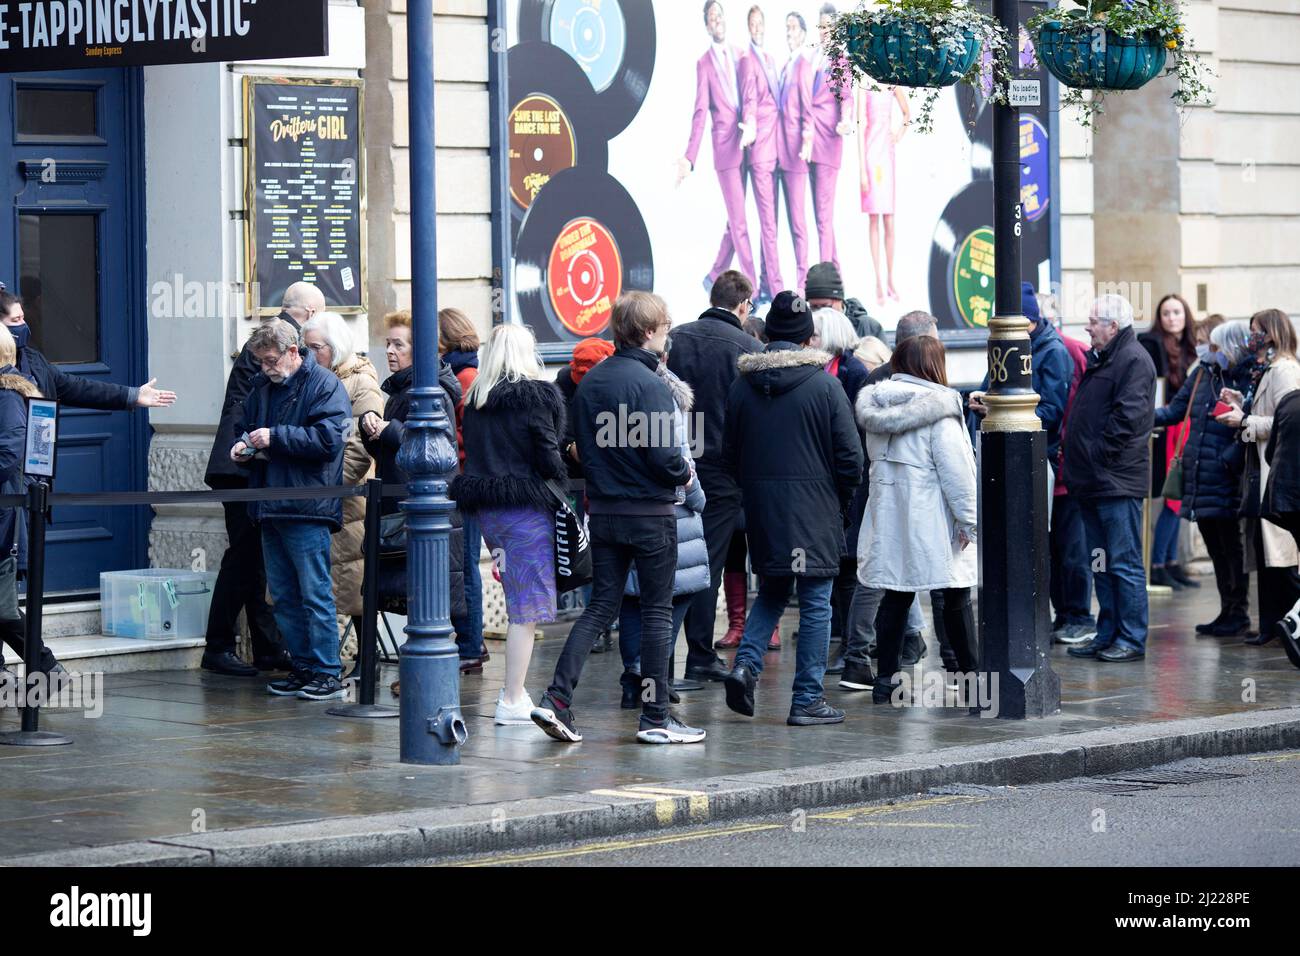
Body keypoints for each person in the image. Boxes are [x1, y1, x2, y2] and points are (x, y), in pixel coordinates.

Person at [532, 292, 703, 745]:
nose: (668, 338)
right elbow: (666, 457)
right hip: (650, 514)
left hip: (603, 512)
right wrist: (685, 472)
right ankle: (656, 717)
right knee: (656, 612)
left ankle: (556, 699)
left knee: (599, 608)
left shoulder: (593, 383)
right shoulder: (652, 385)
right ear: (649, 332)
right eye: (665, 329)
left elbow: (578, 450)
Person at [0, 287, 176, 678]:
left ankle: (43, 669)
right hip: (11, 499)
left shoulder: (31, 364)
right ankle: (36, 670)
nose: (23, 326)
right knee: (3, 595)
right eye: (14, 321)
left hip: (19, 497)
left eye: (22, 318)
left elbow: (78, 388)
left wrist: (132, 396)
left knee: (5, 591)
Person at [722, 291, 862, 725]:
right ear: (807, 340)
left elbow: (730, 455)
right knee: (817, 598)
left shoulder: (742, 387)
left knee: (775, 590)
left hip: (765, 510)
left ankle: (745, 666)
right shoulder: (825, 385)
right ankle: (806, 699)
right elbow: (851, 459)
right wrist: (840, 500)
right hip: (815, 508)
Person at [202, 282, 322, 677]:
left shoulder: (272, 338)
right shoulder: (278, 342)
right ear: (308, 314)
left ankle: (267, 647)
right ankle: (218, 645)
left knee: (254, 562)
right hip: (244, 470)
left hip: (246, 469)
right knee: (243, 559)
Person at [449, 324, 564, 723]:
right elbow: (549, 460)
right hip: (526, 510)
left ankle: (515, 693)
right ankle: (512, 698)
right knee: (525, 610)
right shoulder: (535, 399)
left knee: (519, 600)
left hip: (490, 513)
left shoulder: (476, 398)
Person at [855, 335, 979, 702]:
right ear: (934, 365)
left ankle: (886, 680)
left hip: (889, 517)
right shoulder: (940, 413)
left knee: (895, 594)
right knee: (956, 595)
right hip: (932, 522)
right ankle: (974, 680)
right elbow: (958, 478)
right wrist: (972, 525)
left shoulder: (876, 409)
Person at [233, 320, 352, 700]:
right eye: (260, 361)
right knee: (283, 595)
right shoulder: (261, 387)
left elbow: (330, 439)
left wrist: (275, 437)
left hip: (306, 505)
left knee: (314, 592)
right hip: (270, 503)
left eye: (270, 360)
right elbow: (249, 427)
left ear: (292, 352)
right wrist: (244, 448)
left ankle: (327, 671)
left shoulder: (324, 385)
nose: (266, 368)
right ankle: (302, 666)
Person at [363, 310, 467, 693]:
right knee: (412, 588)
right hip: (404, 501)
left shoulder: (432, 390)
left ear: (420, 350)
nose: (389, 351)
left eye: (398, 344)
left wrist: (388, 429)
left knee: (429, 588)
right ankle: (418, 665)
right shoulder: (400, 390)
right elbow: (395, 444)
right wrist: (371, 429)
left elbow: (428, 443)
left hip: (429, 506)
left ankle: (428, 667)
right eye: (388, 343)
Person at [667, 271, 762, 681]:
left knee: (674, 562)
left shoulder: (675, 340)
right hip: (723, 472)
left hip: (675, 462)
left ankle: (662, 661)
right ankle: (701, 655)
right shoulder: (749, 348)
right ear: (743, 306)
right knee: (708, 563)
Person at [835, 309, 937, 676]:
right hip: (910, 495)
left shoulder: (876, 385)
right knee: (908, 575)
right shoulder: (928, 388)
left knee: (881, 573)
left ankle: (868, 658)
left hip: (879, 491)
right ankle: (936, 656)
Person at [1062, 295, 1156, 663]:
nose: (1087, 327)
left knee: (1124, 562)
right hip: (1092, 481)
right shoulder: (1105, 358)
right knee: (1100, 560)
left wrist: (1096, 456)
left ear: (1113, 326)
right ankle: (1107, 632)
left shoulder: (1133, 360)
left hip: (1114, 483)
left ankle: (1131, 638)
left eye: (1093, 321)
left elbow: (1128, 421)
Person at [617, 358, 710, 708]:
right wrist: (698, 497)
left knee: (632, 594)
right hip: (672, 507)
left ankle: (635, 676)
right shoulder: (663, 392)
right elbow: (678, 459)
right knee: (679, 591)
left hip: (622, 506)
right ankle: (647, 672)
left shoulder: (610, 387)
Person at [1152, 320, 1252, 638]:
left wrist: (1227, 459)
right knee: (1216, 546)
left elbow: (1250, 419)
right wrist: (1137, 415)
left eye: (1210, 343)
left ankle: (1238, 612)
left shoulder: (1244, 376)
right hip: (1200, 475)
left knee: (1230, 545)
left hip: (1225, 475)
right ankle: (1227, 610)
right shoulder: (1202, 374)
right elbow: (1173, 411)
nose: (1204, 349)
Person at [300, 312, 384, 668]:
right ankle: (318, 660)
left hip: (347, 499)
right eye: (305, 347)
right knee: (325, 580)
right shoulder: (311, 378)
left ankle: (367, 660)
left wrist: (330, 486)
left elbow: (361, 448)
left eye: (315, 348)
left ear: (334, 349)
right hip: (319, 495)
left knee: (355, 581)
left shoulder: (361, 384)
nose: (308, 354)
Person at [1214, 308, 1300, 648]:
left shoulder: (1285, 370)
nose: (1252, 338)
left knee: (1281, 555)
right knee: (1265, 553)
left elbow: (1287, 421)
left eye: (1257, 331)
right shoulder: (1266, 369)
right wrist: (1241, 405)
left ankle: (1286, 624)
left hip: (1276, 469)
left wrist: (1244, 422)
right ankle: (1271, 624)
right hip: (1259, 469)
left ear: (1273, 333)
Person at [679, 0, 758, 292]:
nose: (717, 21)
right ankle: (754, 287)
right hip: (725, 150)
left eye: (720, 16)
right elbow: (700, 112)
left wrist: (751, 123)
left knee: (734, 222)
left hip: (748, 146)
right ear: (706, 25)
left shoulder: (741, 55)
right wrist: (690, 156)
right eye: (711, 18)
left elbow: (750, 96)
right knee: (740, 224)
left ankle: (713, 275)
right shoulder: (703, 63)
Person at [0, 326, 56, 678]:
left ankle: (47, 668)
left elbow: (8, 452)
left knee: (3, 610)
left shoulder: (7, 396)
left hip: (3, 517)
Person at [1141, 294, 1201, 589]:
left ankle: (1170, 562)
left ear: (1185, 315)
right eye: (1166, 313)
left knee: (1179, 497)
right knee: (1172, 497)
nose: (1172, 318)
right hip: (1168, 427)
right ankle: (1158, 564)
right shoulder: (1153, 345)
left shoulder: (1195, 346)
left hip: (1188, 427)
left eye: (1177, 312)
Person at [439, 307, 487, 670]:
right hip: (460, 482)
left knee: (466, 563)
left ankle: (471, 644)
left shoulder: (466, 376)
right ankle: (470, 642)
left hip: (464, 485)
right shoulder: (461, 372)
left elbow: (466, 435)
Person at [1048, 309, 1097, 646]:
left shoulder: (1070, 350)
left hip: (1069, 473)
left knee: (1073, 551)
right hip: (1051, 473)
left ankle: (1079, 615)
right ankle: (1065, 614)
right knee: (1054, 550)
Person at [739, 4, 784, 305]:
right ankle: (778, 288)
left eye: (760, 22)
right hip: (761, 150)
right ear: (748, 27)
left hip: (779, 149)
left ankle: (768, 283)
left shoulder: (769, 58)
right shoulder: (746, 60)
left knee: (773, 224)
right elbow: (749, 101)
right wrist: (751, 126)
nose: (757, 27)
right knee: (767, 223)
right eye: (752, 23)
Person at [808, 3, 852, 270]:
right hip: (807, 144)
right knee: (820, 214)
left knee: (824, 214)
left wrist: (846, 120)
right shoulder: (813, 57)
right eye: (821, 26)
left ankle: (824, 275)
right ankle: (834, 271)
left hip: (827, 142)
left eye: (828, 27)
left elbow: (846, 97)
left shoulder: (840, 61)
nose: (824, 32)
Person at [858, 83, 910, 305]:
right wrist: (862, 168)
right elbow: (860, 127)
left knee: (889, 219)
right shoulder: (863, 85)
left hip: (887, 157)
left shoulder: (892, 81)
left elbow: (907, 113)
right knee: (873, 219)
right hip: (871, 155)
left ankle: (890, 278)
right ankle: (878, 280)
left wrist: (898, 134)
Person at [1260, 387, 1300, 667]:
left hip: (1284, 501)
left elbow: (1270, 454)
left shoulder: (1289, 400)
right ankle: (1295, 621)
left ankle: (1295, 622)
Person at [777, 11, 814, 291]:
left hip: (796, 156)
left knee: (798, 222)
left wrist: (805, 140)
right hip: (780, 152)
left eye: (793, 28)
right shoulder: (787, 64)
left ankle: (803, 280)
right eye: (786, 27)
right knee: (787, 222)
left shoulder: (802, 65)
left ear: (802, 33)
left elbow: (807, 108)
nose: (789, 32)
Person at [555, 337, 615, 479]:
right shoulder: (559, 392)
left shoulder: (621, 386)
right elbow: (553, 433)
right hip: (574, 476)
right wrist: (570, 447)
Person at [805, 261, 882, 340]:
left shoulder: (868, 327)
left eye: (825, 306)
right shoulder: (805, 330)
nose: (820, 313)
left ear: (840, 300)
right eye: (814, 307)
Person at [865, 310, 938, 385]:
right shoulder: (924, 379)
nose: (939, 347)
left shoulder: (875, 378)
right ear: (920, 343)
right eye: (934, 342)